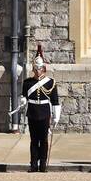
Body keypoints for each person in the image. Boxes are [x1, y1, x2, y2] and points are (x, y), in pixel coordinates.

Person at [21, 43, 61, 172]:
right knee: (34, 140)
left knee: (43, 140)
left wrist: (56, 117)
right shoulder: (28, 82)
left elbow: (55, 101)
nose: (37, 71)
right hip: (32, 112)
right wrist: (22, 100)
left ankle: (43, 165)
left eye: (39, 68)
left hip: (44, 113)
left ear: (43, 69)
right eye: (35, 68)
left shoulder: (50, 83)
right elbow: (24, 96)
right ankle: (33, 164)